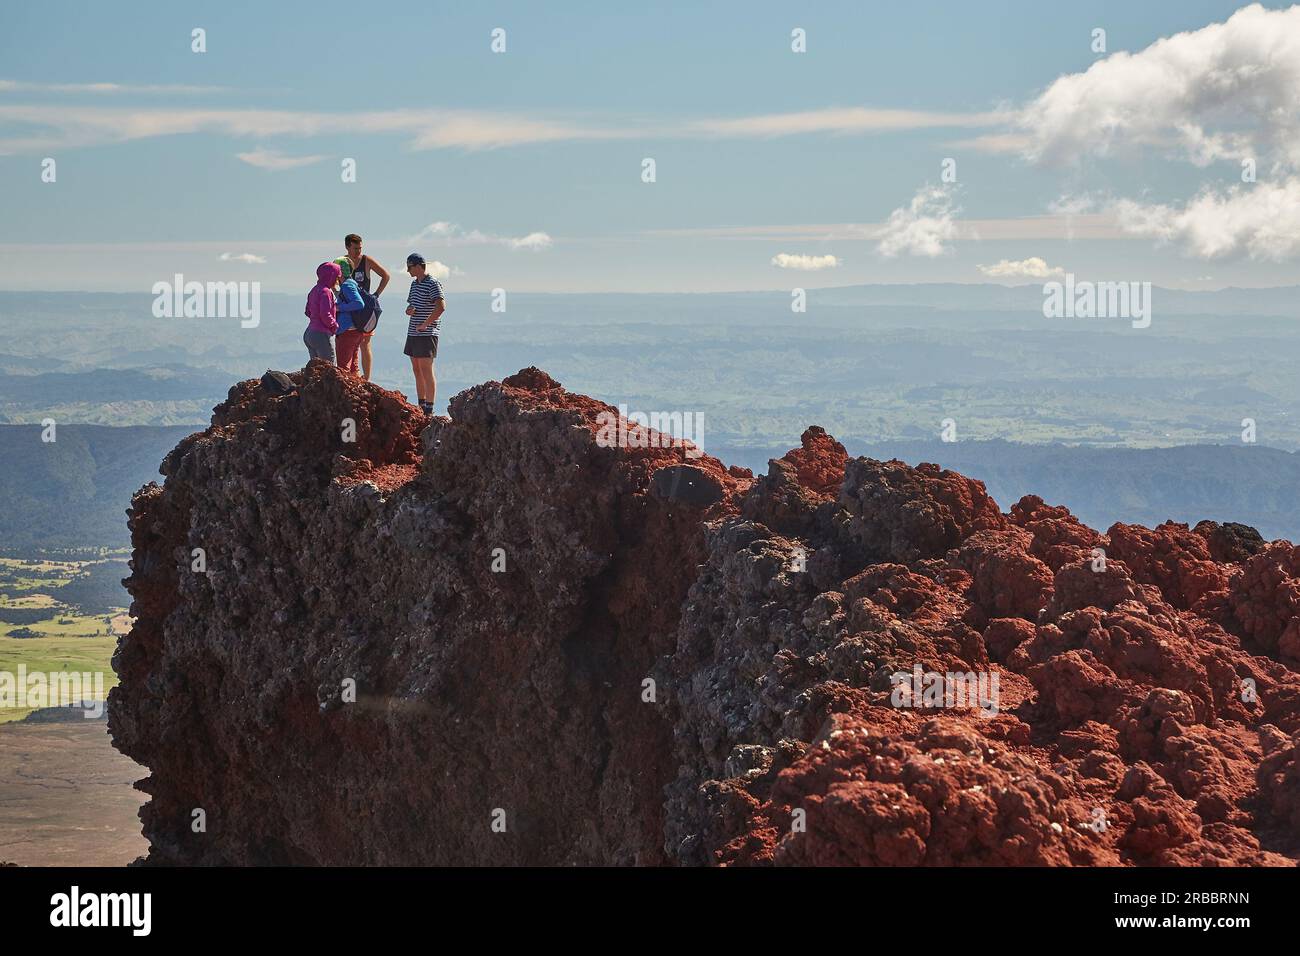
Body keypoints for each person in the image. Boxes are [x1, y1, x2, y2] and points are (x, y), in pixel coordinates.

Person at [336, 234, 390, 382]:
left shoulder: (366, 261)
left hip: (364, 311)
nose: (358, 251)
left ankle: (366, 379)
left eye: (360, 248)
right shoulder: (342, 263)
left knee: (365, 343)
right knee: (348, 345)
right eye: (355, 248)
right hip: (348, 311)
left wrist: (376, 295)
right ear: (347, 247)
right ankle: (351, 377)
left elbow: (385, 275)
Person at [403, 253, 445, 415]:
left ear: (419, 266)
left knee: (426, 368)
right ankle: (421, 405)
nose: (408, 271)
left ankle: (429, 408)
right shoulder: (414, 285)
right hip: (413, 331)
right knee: (416, 368)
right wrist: (409, 311)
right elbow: (411, 307)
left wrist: (426, 324)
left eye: (410, 267)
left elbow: (441, 306)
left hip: (427, 333)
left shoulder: (433, 283)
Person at [303, 261, 343, 363]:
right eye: (336, 277)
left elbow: (308, 311)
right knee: (329, 369)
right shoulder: (326, 292)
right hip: (322, 335)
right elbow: (325, 314)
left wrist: (315, 320)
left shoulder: (314, 290)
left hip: (310, 333)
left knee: (316, 369)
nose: (337, 280)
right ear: (331, 277)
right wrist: (334, 325)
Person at [333, 270, 368, 374]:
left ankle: (346, 390)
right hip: (356, 330)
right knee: (353, 366)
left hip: (347, 330)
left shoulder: (346, 285)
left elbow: (358, 303)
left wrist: (339, 308)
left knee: (343, 368)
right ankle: (357, 388)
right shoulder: (352, 283)